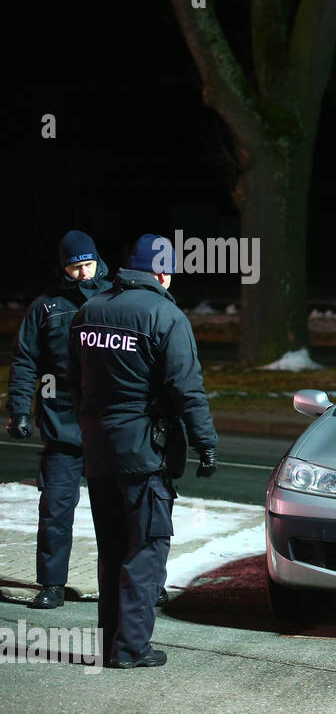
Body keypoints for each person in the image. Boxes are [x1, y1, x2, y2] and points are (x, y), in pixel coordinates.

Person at [68, 234, 219, 668]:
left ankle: (109, 643)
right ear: (162, 272)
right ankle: (131, 649)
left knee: (111, 548)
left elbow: (75, 379)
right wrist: (205, 444)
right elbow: (187, 389)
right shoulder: (165, 315)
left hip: (97, 450)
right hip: (144, 454)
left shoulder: (87, 312)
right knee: (147, 546)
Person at [6, 231, 112, 609]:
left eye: (87, 264)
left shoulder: (117, 298)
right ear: (63, 267)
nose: (82, 274)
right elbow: (24, 362)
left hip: (110, 430)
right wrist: (19, 410)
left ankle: (129, 582)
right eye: (74, 266)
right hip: (61, 428)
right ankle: (51, 584)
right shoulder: (46, 308)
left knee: (118, 515)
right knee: (55, 510)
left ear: (98, 260)